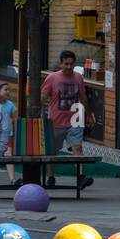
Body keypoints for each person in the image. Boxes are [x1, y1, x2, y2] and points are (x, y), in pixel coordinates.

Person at [41, 50, 94, 189]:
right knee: (52, 151)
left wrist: (89, 114)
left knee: (77, 147)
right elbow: (43, 97)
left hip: (75, 119)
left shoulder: (78, 77)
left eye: (71, 64)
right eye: (66, 64)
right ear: (61, 63)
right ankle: (51, 177)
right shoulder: (52, 78)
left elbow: (83, 97)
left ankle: (80, 177)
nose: (69, 67)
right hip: (55, 121)